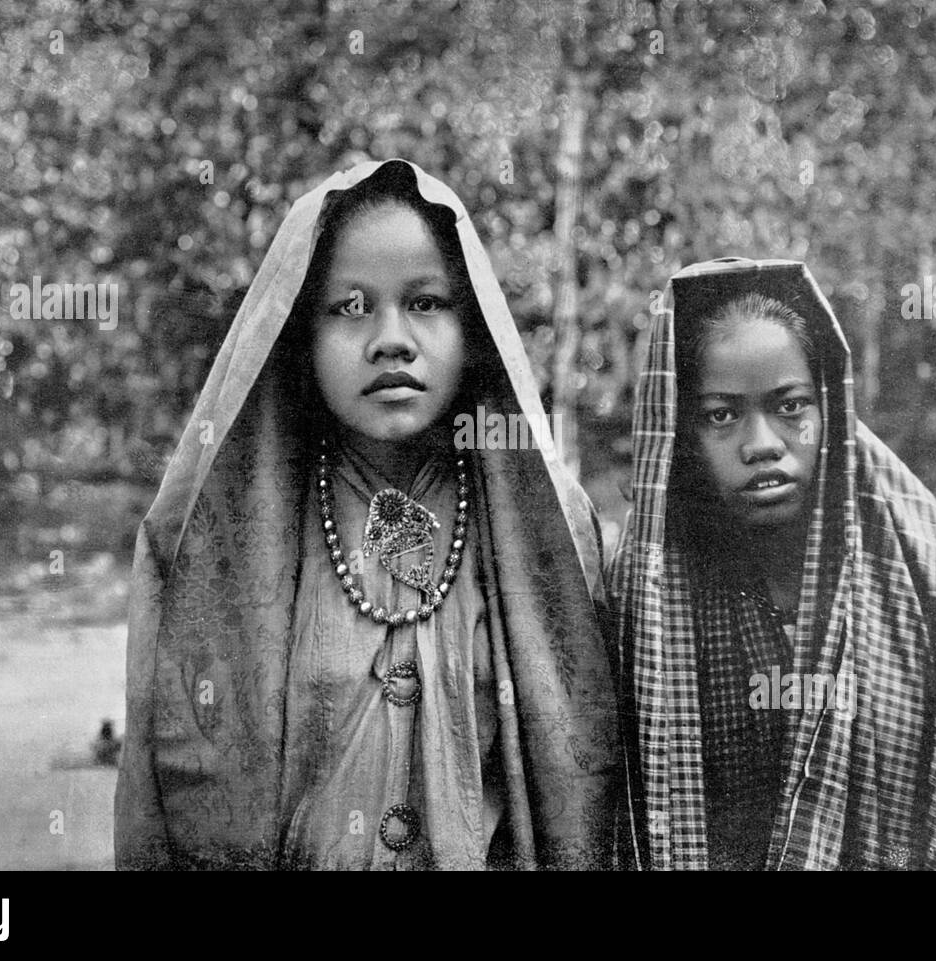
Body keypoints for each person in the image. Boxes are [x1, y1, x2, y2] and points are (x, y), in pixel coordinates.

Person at [115, 159, 623, 870]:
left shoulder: (549, 530)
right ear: (300, 334)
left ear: (471, 325)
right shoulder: (217, 536)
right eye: (350, 307)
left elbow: (588, 782)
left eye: (425, 302)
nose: (390, 338)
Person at [610, 257, 936, 870]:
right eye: (721, 414)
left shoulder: (932, 576)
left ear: (829, 409)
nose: (762, 443)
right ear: (680, 434)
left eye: (790, 406)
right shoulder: (646, 593)